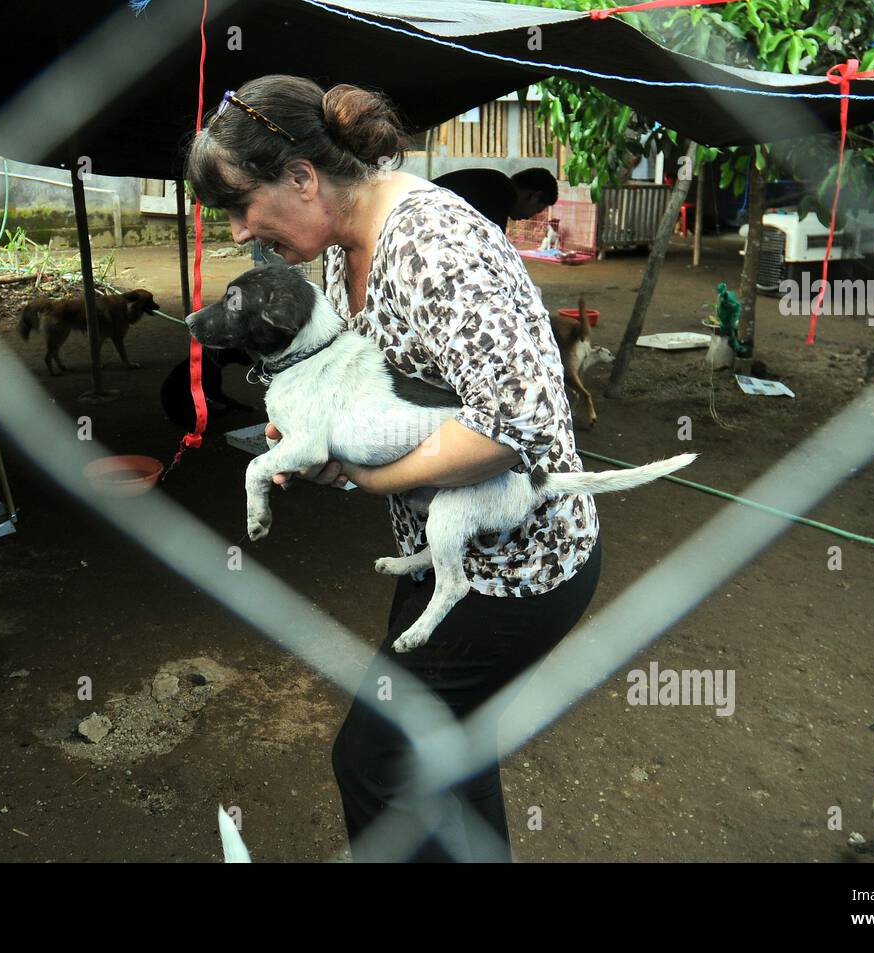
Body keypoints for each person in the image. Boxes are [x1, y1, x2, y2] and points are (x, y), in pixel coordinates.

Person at [183, 76, 600, 862]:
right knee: (449, 759)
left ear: (303, 177)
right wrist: (320, 428)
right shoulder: (344, 251)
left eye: (242, 204)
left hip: (518, 566)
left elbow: (525, 423)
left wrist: (373, 478)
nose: (239, 231)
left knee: (376, 763)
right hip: (452, 550)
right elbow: (366, 382)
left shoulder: (432, 244)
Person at [431, 166, 558, 233]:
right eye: (537, 210)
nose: (530, 216)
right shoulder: (502, 193)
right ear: (535, 197)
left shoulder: (497, 182)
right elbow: (493, 252)